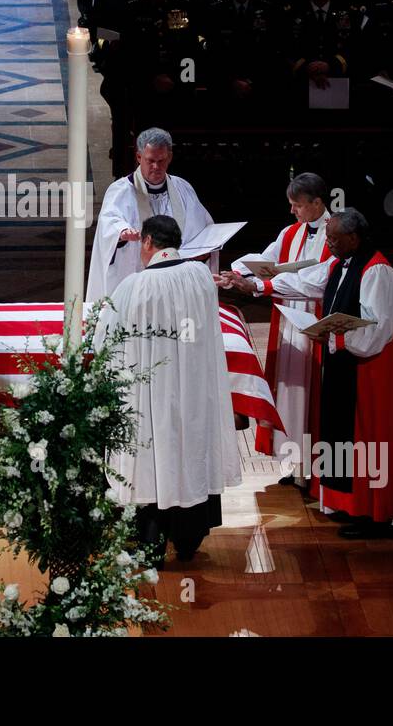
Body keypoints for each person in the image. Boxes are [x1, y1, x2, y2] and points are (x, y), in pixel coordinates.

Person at [219, 207, 393, 537]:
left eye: (334, 239)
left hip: (371, 372)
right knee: (342, 434)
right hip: (345, 362)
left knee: (367, 438)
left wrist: (336, 336)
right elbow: (305, 282)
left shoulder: (378, 272)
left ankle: (373, 514)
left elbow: (378, 330)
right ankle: (348, 504)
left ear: (353, 238)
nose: (329, 244)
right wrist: (256, 287)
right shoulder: (339, 263)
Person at [94, 214, 243, 562]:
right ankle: (189, 539)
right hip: (192, 389)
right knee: (188, 452)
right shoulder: (200, 277)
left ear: (147, 243)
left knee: (152, 457)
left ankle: (150, 545)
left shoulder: (133, 286)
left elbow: (106, 339)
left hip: (151, 395)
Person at [225, 173, 334, 476]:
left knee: (313, 394)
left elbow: (317, 281)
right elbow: (266, 261)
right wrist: (235, 275)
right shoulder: (290, 232)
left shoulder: (336, 234)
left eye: (297, 205)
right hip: (289, 320)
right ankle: (295, 464)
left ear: (317, 202)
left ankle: (316, 467)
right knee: (288, 389)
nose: (292, 211)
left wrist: (263, 286)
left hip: (316, 319)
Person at [87, 127, 217, 300]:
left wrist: (207, 247)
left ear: (169, 157)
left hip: (175, 280)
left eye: (161, 161)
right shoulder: (121, 190)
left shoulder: (182, 188)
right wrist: (121, 232)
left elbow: (204, 228)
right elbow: (109, 221)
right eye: (150, 161)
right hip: (134, 280)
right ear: (139, 157)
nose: (156, 167)